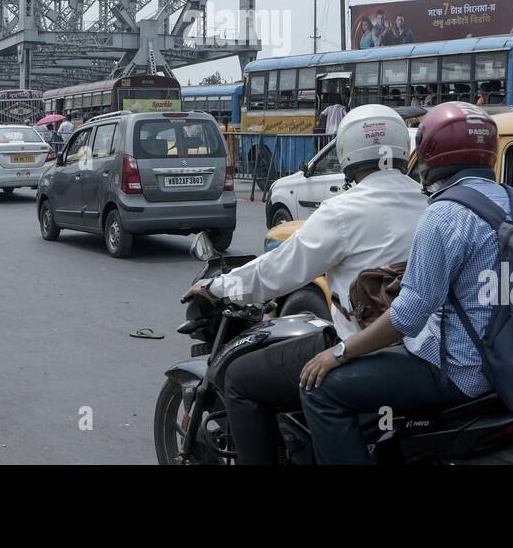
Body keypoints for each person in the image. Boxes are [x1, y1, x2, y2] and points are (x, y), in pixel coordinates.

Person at [296, 101, 513, 465]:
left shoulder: (444, 214)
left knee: (321, 391)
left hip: (461, 371)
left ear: (430, 153)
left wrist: (339, 353)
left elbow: (408, 316)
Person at [182, 105, 427, 464]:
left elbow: (279, 270)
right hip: (423, 352)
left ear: (345, 152)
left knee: (239, 379)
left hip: (363, 348)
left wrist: (217, 286)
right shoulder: (430, 203)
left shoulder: (343, 211)